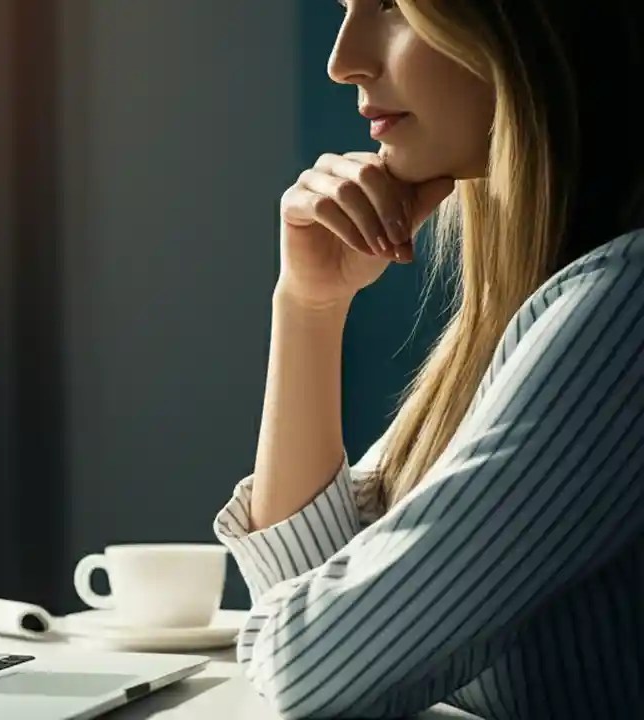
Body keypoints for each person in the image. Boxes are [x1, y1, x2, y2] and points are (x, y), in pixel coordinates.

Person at [213, 2, 644, 718]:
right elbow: (313, 596)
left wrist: (303, 638)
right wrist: (308, 307)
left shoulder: (624, 305)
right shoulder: (533, 310)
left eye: (391, 7)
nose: (342, 60)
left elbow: (309, 666)